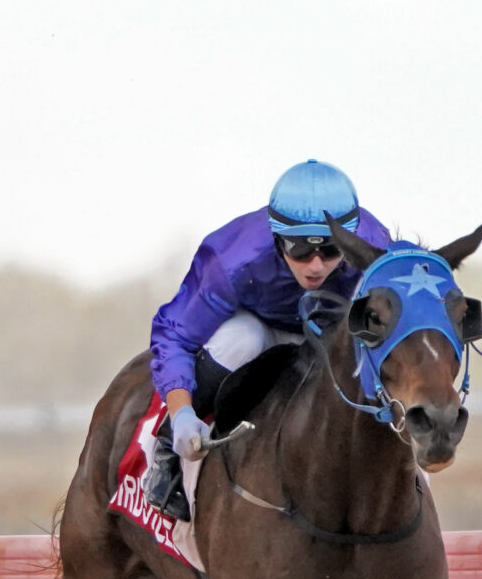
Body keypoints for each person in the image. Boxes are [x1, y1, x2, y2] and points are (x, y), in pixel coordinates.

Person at [141, 160, 392, 518]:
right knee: (244, 339)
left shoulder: (375, 250)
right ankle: (168, 446)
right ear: (277, 239)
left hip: (328, 327)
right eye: (301, 251)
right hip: (256, 325)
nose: (317, 266)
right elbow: (174, 335)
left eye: (332, 250)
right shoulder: (231, 260)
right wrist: (180, 411)